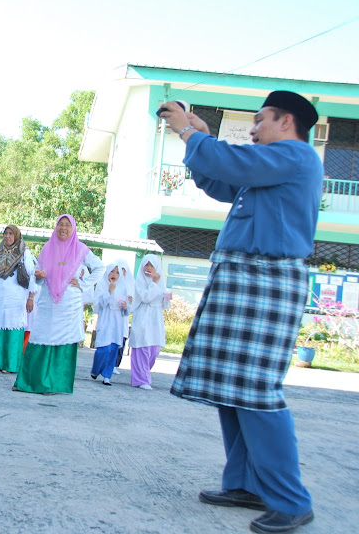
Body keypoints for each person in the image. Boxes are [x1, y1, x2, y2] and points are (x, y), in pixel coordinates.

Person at [159, 91, 320, 533]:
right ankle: (246, 484)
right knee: (233, 390)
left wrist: (190, 132)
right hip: (245, 278)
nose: (252, 128)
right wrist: (199, 142)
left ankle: (291, 500)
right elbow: (221, 180)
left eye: (260, 119)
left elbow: (234, 165)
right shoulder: (272, 163)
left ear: (286, 121)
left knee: (255, 391)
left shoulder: (296, 155)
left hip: (265, 279)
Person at [13, 215, 104, 394]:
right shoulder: (48, 248)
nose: (63, 228)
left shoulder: (81, 249)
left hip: (69, 305)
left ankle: (53, 384)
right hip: (48, 302)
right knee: (39, 337)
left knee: (62, 340)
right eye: (60, 224)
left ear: (73, 228)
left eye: (67, 225)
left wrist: (83, 284)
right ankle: (27, 382)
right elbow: (39, 274)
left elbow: (101, 268)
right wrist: (38, 276)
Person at [0, 225, 35, 373]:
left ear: (16, 236)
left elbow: (32, 276)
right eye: (5, 233)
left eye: (11, 234)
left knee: (13, 327)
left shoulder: (24, 252)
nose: (7, 236)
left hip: (16, 298)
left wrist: (31, 297)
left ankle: (10, 364)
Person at [129, 254, 169, 391]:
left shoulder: (160, 280)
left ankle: (143, 374)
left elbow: (164, 304)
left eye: (152, 265)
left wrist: (167, 298)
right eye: (146, 264)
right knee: (142, 347)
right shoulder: (140, 281)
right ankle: (141, 379)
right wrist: (154, 283)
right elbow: (145, 297)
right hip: (142, 316)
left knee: (154, 349)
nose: (149, 268)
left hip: (155, 318)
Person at [89, 263, 128, 386]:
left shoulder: (123, 287)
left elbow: (127, 309)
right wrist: (109, 292)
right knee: (103, 349)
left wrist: (126, 306)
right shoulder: (101, 285)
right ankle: (95, 370)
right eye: (112, 271)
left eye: (117, 272)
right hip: (106, 320)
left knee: (113, 349)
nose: (114, 275)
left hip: (117, 322)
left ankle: (107, 376)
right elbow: (99, 304)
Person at [112, 258, 135, 375]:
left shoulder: (131, 284)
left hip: (124, 318)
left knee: (121, 340)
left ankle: (115, 364)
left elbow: (135, 303)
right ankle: (109, 364)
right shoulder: (112, 283)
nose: (121, 273)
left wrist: (131, 301)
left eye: (123, 270)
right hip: (112, 317)